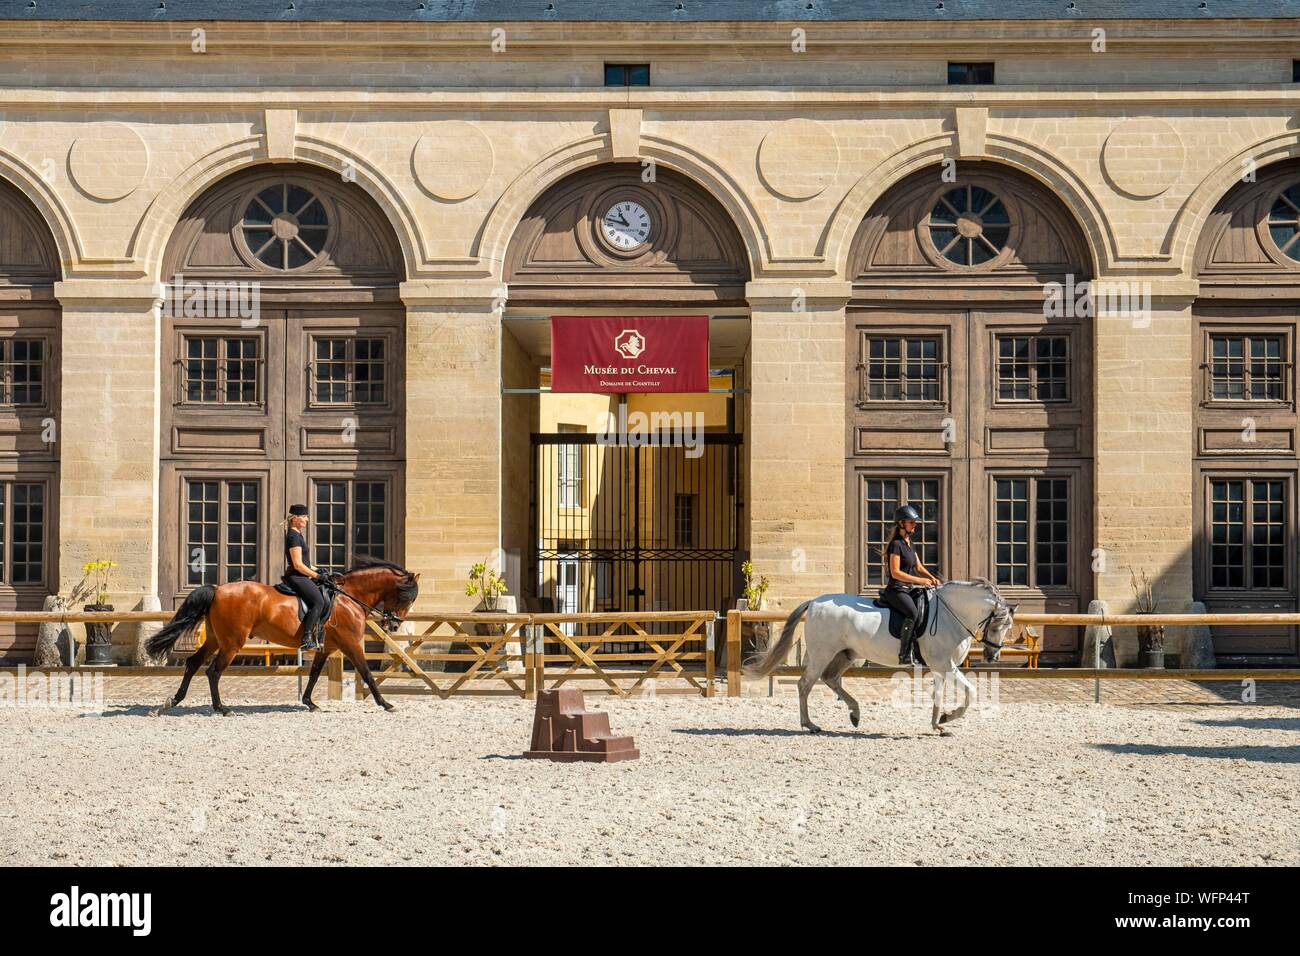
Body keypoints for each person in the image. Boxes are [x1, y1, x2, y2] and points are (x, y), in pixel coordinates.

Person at [878, 504, 942, 665]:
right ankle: (904, 654)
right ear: (901, 523)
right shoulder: (896, 545)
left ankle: (919, 649)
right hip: (896, 590)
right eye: (911, 522)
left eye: (915, 522)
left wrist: (932, 578)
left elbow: (918, 567)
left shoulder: (909, 544)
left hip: (908, 589)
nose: (915, 525)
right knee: (912, 613)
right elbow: (895, 573)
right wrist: (920, 581)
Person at [282, 504, 332, 650]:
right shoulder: (293, 537)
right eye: (304, 516)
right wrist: (317, 576)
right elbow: (297, 565)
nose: (307, 519)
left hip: (302, 575)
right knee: (318, 601)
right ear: (295, 518)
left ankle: (318, 631)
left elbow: (305, 563)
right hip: (297, 577)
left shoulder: (298, 534)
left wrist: (320, 570)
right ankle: (306, 638)